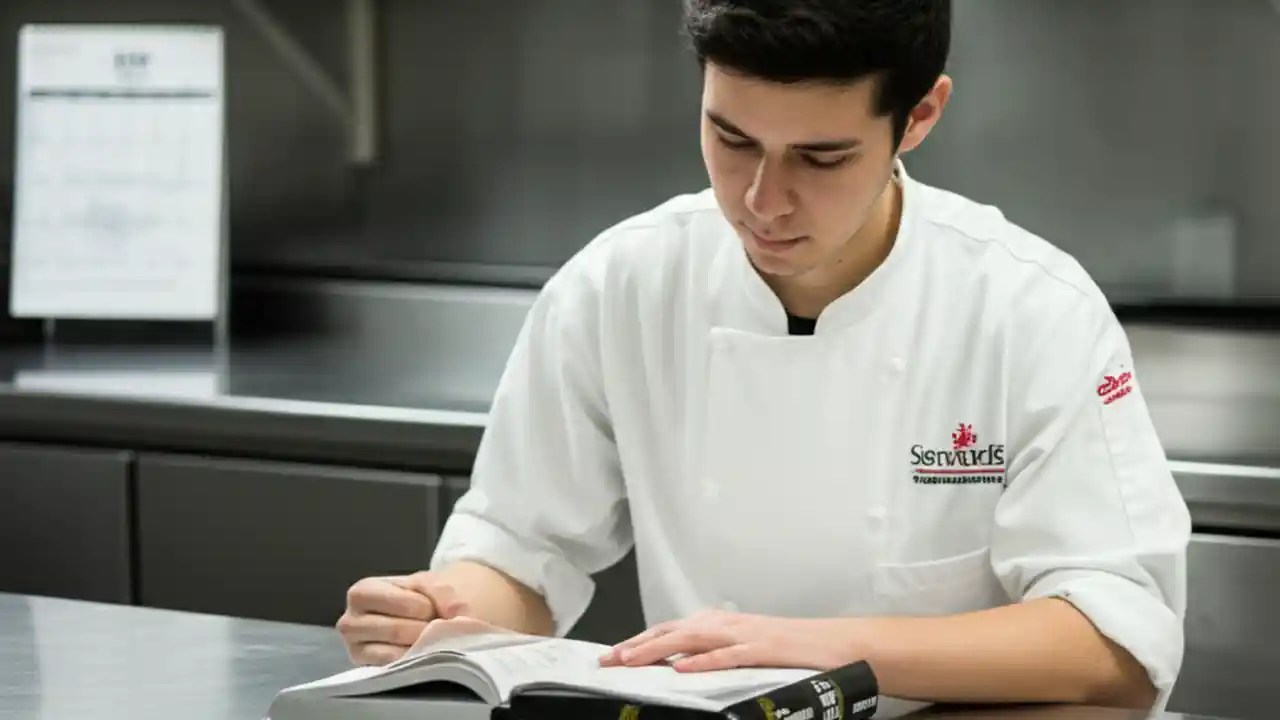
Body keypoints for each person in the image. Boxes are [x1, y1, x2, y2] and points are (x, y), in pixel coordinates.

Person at [337, 0, 1190, 710]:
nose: (762, 200)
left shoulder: (1028, 307)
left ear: (919, 116)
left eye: (821, 158)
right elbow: (520, 551)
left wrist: (817, 652)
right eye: (731, 138)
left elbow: (1112, 639)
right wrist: (440, 615)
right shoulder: (622, 286)